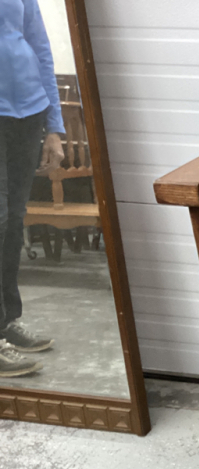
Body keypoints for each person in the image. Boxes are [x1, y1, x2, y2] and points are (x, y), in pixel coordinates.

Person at [0, 0, 65, 377]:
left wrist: (53, 126)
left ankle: (7, 321)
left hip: (28, 111)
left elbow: (40, 48)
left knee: (13, 222)